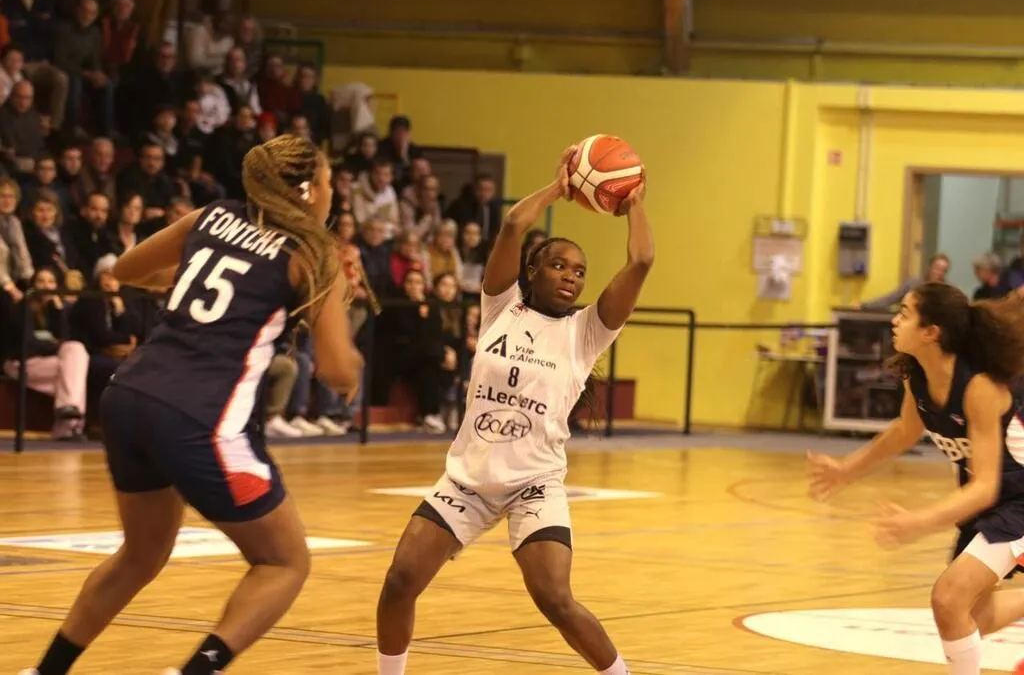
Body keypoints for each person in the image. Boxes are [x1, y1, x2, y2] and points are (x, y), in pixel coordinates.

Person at [18, 134, 363, 675]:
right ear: (307, 190)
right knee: (284, 561)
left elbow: (127, 270)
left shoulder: (214, 214)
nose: (332, 194)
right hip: (203, 417)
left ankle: (45, 670)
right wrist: (337, 298)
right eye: (327, 182)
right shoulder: (312, 253)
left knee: (141, 554)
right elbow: (340, 374)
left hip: (129, 397)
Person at [374, 146, 654, 675]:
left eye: (579, 271)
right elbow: (511, 223)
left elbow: (641, 261)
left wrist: (634, 201)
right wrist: (559, 187)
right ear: (533, 270)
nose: (571, 276)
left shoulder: (586, 332)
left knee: (555, 598)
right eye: (558, 264)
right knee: (399, 581)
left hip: (534, 483)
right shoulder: (503, 306)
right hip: (467, 482)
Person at [807, 283, 1024, 675]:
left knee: (947, 598)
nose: (894, 320)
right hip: (994, 505)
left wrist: (919, 521)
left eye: (905, 313)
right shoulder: (918, 377)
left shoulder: (978, 387)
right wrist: (845, 471)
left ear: (931, 331)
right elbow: (905, 430)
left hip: (1018, 502)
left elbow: (986, 485)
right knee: (970, 616)